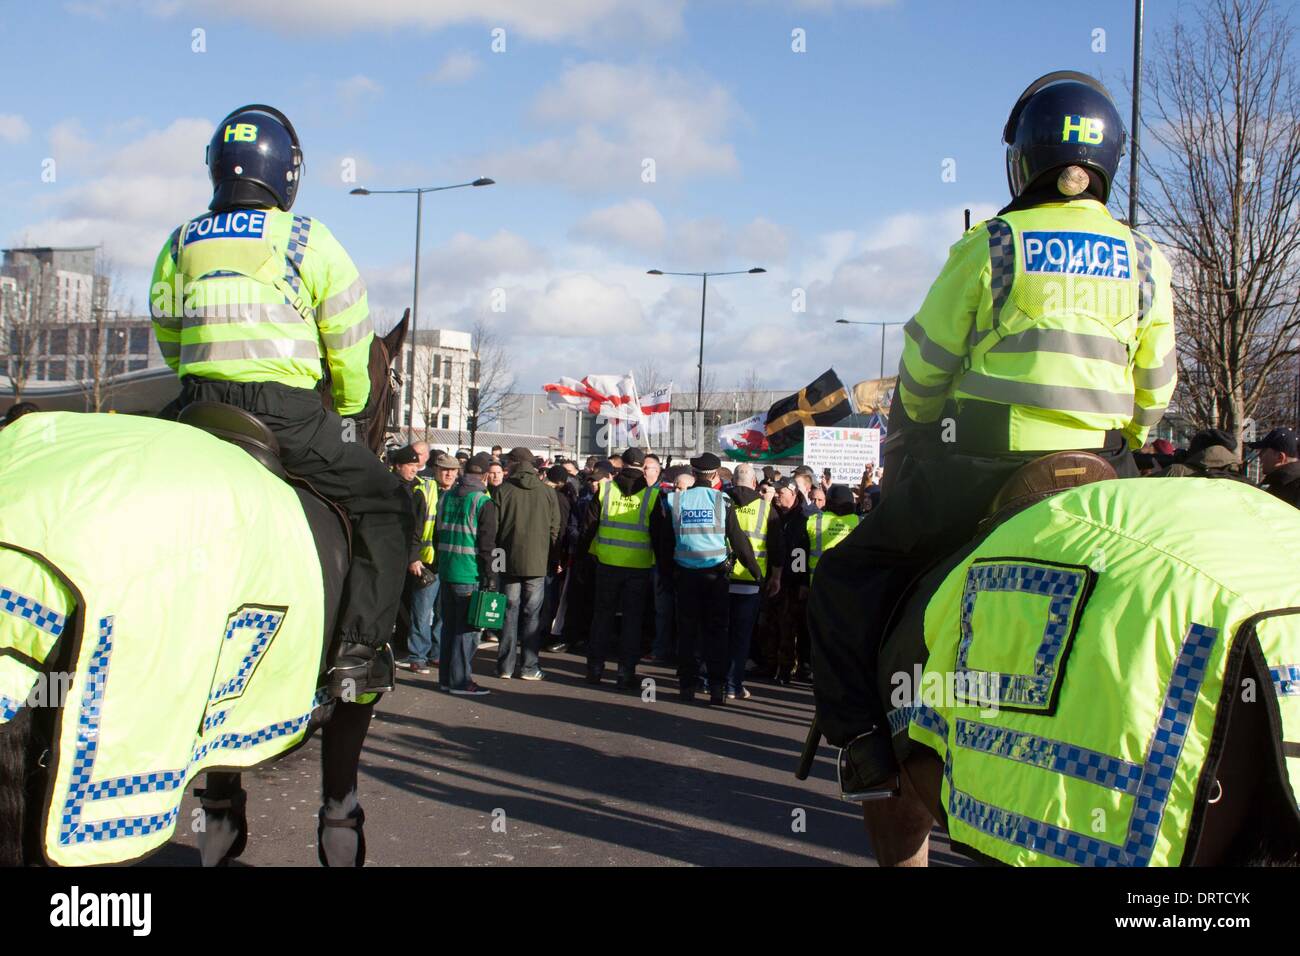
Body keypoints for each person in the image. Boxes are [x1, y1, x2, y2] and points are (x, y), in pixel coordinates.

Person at [808, 71, 1177, 793]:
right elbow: (1156, 392)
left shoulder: (995, 243)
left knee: (844, 576)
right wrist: (1121, 430)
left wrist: (915, 423)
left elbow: (926, 367)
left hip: (981, 467)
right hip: (1105, 467)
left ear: (1025, 158)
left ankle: (864, 748)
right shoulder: (1145, 258)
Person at [149, 104, 411, 697]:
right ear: (285, 174)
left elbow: (168, 333)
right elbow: (349, 347)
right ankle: (357, 653)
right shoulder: (308, 238)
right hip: (283, 414)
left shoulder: (180, 239)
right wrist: (345, 408)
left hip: (195, 406)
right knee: (388, 503)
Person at [667, 453, 762, 704]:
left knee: (687, 632)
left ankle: (687, 686)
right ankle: (717, 689)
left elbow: (665, 541)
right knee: (716, 632)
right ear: (716, 475)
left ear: (694, 472)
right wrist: (755, 571)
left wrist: (669, 573)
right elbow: (738, 539)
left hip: (686, 576)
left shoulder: (676, 500)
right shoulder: (722, 500)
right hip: (715, 577)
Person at [580, 447, 672, 689]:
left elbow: (588, 529)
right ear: (642, 467)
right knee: (632, 622)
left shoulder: (605, 490)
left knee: (601, 618)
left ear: (621, 465)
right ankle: (625, 673)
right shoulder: (652, 496)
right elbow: (660, 537)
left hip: (606, 563)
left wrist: (582, 560)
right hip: (638, 567)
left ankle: (595, 669)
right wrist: (664, 569)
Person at [493, 447, 561, 680]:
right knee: (532, 614)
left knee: (508, 614)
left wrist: (497, 562)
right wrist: (549, 557)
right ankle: (529, 667)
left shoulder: (502, 491)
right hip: (537, 562)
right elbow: (555, 529)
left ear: (514, 463)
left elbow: (495, 529)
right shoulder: (547, 493)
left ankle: (505, 667)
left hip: (508, 561)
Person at [436, 452, 498, 696]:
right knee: (467, 632)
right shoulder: (482, 502)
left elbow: (437, 533)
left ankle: (446, 679)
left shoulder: (446, 497)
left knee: (448, 627)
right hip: (469, 573)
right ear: (484, 475)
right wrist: (491, 576)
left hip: (447, 569)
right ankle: (460, 681)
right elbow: (487, 546)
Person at [725, 463, 784, 700]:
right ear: (753, 483)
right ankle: (733, 685)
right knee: (741, 637)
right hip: (751, 580)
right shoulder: (766, 509)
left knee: (718, 632)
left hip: (720, 577)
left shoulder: (721, 501)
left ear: (732, 482)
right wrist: (776, 577)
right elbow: (778, 548)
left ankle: (710, 681)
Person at [392, 445, 440, 675]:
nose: (414, 469)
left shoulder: (418, 489)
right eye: (410, 466)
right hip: (395, 555)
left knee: (415, 607)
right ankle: (408, 651)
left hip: (416, 556)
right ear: (397, 466)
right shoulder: (390, 487)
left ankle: (410, 648)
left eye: (416, 465)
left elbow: (416, 528)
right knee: (410, 607)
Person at [1251, 427, 1300, 507]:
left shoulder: (1294, 488)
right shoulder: (1276, 483)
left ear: (1280, 457)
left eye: (1263, 451)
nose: (1260, 456)